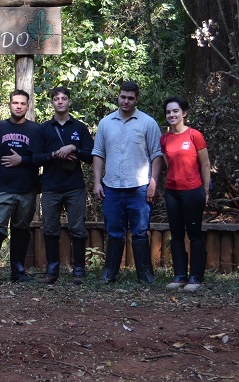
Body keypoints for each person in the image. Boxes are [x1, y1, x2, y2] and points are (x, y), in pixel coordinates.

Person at [92, 81, 162, 284]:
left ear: (137, 99)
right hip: (112, 187)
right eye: (123, 97)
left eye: (130, 98)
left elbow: (157, 155)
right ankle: (109, 272)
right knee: (114, 231)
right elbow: (98, 153)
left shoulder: (148, 123)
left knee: (140, 232)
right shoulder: (106, 123)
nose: (126, 101)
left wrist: (153, 183)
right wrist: (97, 182)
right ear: (118, 96)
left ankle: (145, 274)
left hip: (139, 187)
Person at [0, 90, 42, 288]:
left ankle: (18, 271)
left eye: (22, 103)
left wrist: (22, 161)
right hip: (0, 189)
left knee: (21, 229)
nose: (18, 106)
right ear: (9, 105)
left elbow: (42, 158)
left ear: (28, 106)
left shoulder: (36, 130)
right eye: (15, 102)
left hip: (26, 189)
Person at [33, 87, 94, 285]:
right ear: (52, 102)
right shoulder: (44, 129)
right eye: (56, 99)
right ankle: (52, 269)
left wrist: (74, 148)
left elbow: (91, 156)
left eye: (64, 98)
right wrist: (54, 155)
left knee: (78, 228)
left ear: (69, 102)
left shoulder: (79, 128)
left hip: (74, 186)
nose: (60, 101)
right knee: (50, 228)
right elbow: (35, 157)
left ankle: (79, 269)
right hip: (50, 186)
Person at [161, 96, 211, 292]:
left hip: (193, 191)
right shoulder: (164, 138)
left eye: (175, 111)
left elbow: (205, 165)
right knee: (176, 234)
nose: (172, 115)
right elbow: (169, 164)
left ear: (184, 113)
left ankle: (196, 278)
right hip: (172, 192)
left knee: (194, 234)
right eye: (168, 112)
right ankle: (180, 276)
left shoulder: (194, 135)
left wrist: (205, 191)